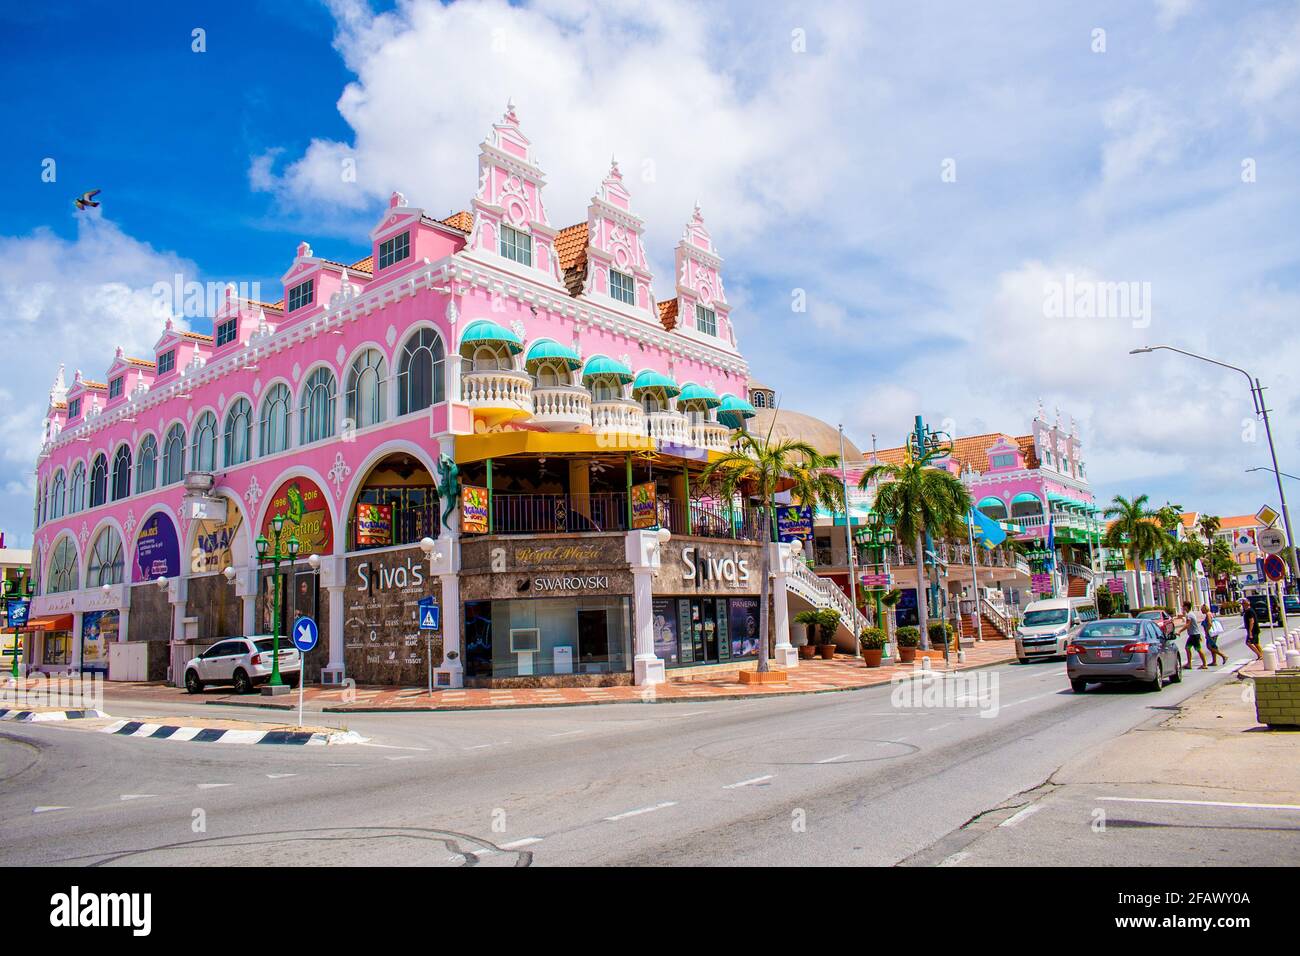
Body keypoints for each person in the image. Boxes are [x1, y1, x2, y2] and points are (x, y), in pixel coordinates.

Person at [1179, 601, 1208, 670]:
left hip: (1194, 635)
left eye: (1183, 606)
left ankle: (1204, 664)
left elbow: (1187, 624)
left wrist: (1179, 631)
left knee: (1198, 649)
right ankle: (1189, 664)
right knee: (1187, 648)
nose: (1182, 607)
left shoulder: (1189, 615)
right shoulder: (1189, 614)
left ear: (1186, 607)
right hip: (1193, 635)